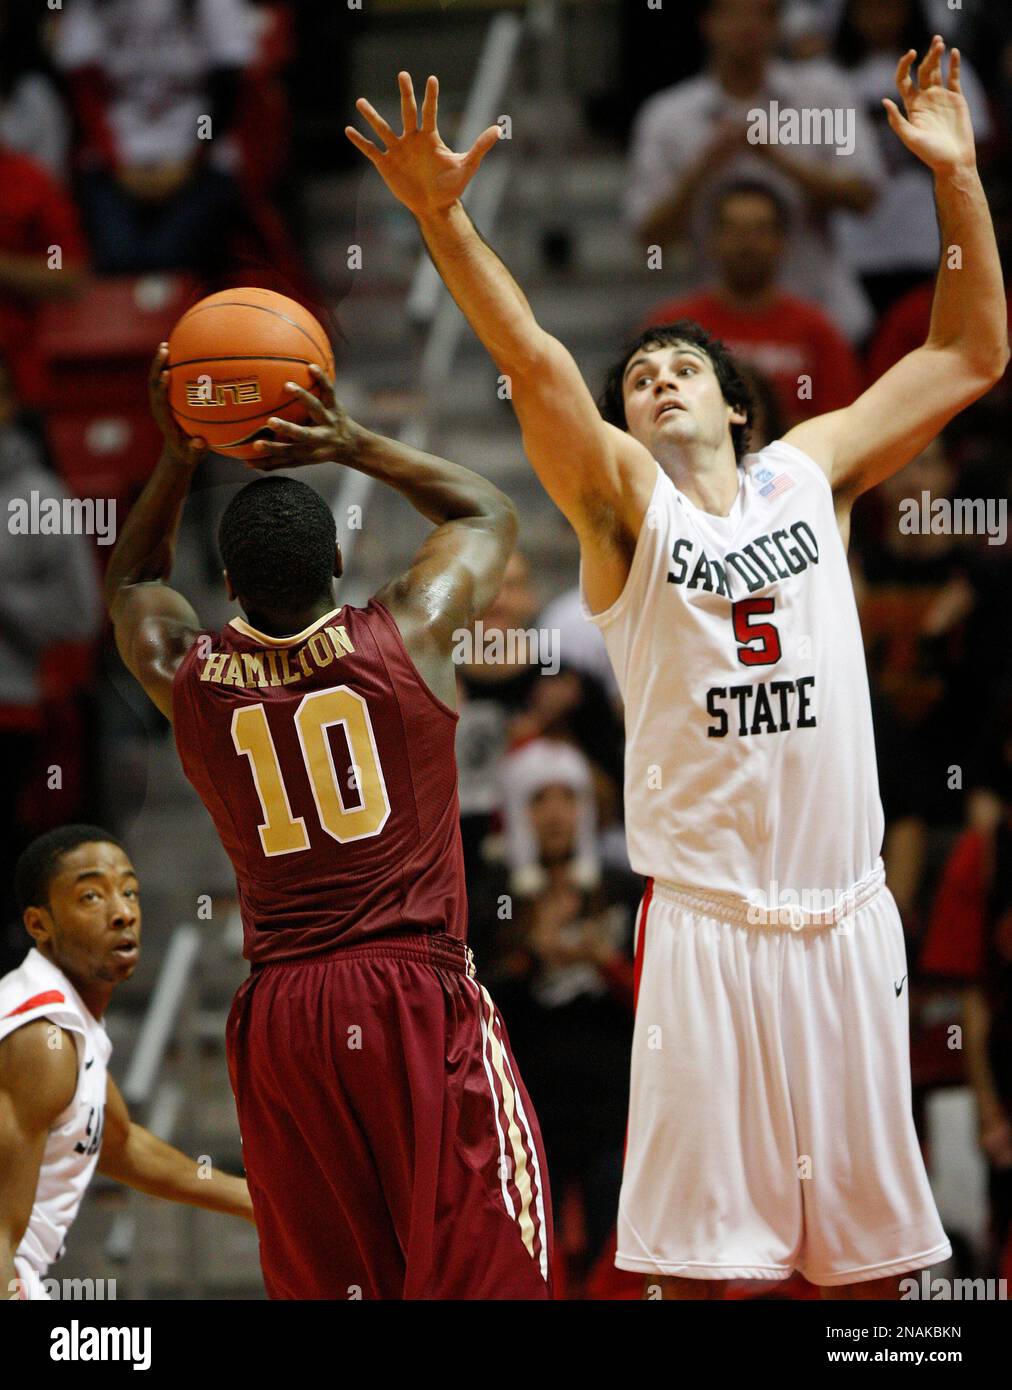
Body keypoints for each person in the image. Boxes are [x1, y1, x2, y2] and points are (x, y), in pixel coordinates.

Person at [345, 39, 1008, 1298]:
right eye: (638, 376)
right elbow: (537, 361)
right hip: (704, 928)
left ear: (735, 405)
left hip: (844, 918)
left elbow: (970, 355)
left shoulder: (814, 468)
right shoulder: (622, 510)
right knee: (709, 1279)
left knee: (873, 1280)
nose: (656, 380)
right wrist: (444, 222)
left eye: (680, 367)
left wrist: (957, 177)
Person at [103, 347, 553, 1299]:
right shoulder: (410, 634)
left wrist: (180, 454)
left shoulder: (185, 674)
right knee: (489, 1275)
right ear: (342, 563)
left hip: (283, 1018)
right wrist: (350, 442)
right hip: (410, 993)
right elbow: (485, 511)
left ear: (225, 583)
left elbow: (132, 586)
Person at [0, 824, 254, 1301]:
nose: (122, 913)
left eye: (130, 891)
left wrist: (253, 1202)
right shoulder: (40, 1040)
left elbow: (119, 1143)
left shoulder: (65, 1022)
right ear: (40, 925)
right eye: (92, 897)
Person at [624, 0, 883, 342]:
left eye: (762, 13)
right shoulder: (667, 115)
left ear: (778, 23)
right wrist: (704, 168)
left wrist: (776, 157)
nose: (747, 26)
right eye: (732, 12)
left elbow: (864, 195)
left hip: (823, 314)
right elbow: (649, 235)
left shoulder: (825, 94)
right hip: (719, 332)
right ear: (707, 22)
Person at [641, 181, 863, 426]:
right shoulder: (673, 326)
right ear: (713, 239)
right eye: (734, 229)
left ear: (782, 241)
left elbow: (840, 424)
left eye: (760, 230)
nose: (747, 243)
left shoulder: (817, 330)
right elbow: (645, 415)